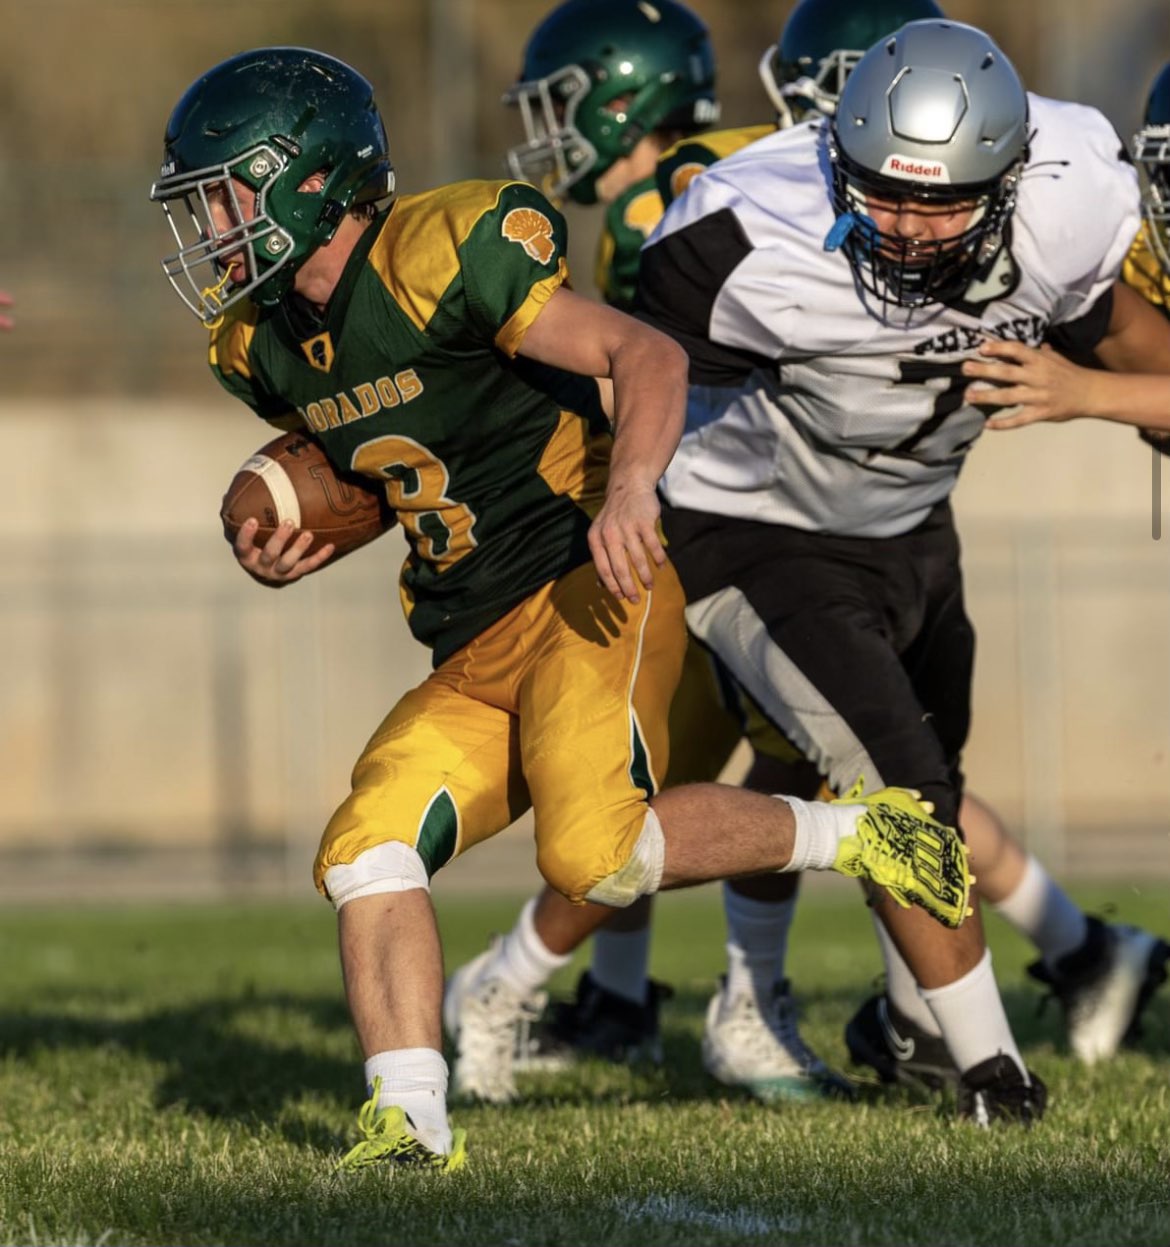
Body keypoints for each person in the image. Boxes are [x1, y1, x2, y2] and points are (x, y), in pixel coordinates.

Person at [150, 45, 968, 1170]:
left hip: (587, 588)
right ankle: (408, 1119)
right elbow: (407, 464)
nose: (211, 227)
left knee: (596, 856)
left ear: (308, 179)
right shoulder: (257, 346)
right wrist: (304, 537)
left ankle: (867, 830)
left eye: (226, 193)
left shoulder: (446, 251)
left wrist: (631, 486)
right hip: (469, 637)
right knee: (365, 845)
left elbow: (645, 354)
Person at [634, 16, 1170, 1124]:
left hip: (916, 528)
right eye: (882, 190)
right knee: (902, 790)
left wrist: (1111, 399)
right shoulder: (740, 231)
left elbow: (1134, 349)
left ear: (1013, 180)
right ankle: (992, 1073)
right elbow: (620, 373)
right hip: (756, 527)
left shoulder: (1073, 198)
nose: (908, 227)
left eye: (941, 200)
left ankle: (913, 1025)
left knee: (934, 770)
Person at [443, 0, 850, 1111]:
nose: (546, 133)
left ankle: (622, 997)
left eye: (560, 105)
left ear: (625, 92)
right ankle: (693, 998)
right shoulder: (719, 177)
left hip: (720, 520)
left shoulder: (657, 205)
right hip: (709, 528)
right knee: (721, 773)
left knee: (684, 779)